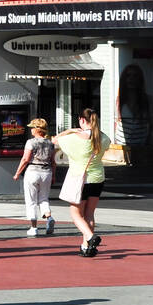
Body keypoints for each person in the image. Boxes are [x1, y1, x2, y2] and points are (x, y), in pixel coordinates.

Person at [53, 108, 110, 258]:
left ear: (82, 120)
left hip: (80, 179)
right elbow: (107, 144)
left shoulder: (75, 138)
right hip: (97, 178)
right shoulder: (103, 138)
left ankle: (91, 238)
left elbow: (54, 140)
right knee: (89, 214)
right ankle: (86, 247)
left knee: (76, 214)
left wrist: (70, 130)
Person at [12, 118, 56, 238]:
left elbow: (25, 159)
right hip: (47, 172)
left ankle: (34, 227)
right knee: (44, 198)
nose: (31, 129)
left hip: (33, 171)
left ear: (37, 129)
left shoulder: (31, 142)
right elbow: (53, 162)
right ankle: (49, 217)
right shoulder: (50, 143)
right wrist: (54, 175)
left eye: (32, 127)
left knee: (31, 200)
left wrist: (17, 173)